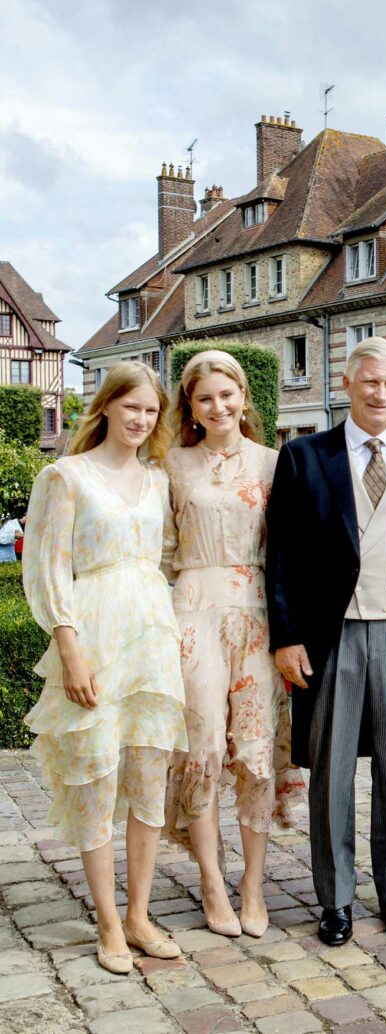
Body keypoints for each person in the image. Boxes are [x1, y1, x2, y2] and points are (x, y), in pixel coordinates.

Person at [266, 337, 386, 947]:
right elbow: (281, 556)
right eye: (371, 382)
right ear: (347, 385)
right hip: (331, 632)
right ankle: (336, 899)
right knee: (332, 771)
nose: (382, 395)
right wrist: (286, 637)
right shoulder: (305, 458)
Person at [22, 361, 187, 974]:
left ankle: (140, 915)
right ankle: (109, 924)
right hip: (92, 631)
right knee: (95, 774)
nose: (142, 420)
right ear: (107, 407)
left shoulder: (158, 480)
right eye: (131, 407)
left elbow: (166, 560)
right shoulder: (66, 476)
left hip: (151, 636)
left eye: (151, 411)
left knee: (148, 780)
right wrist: (69, 647)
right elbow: (45, 566)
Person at [163, 350, 304, 940]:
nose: (217, 406)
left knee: (253, 746)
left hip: (257, 616)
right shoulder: (170, 463)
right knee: (202, 749)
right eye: (204, 398)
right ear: (190, 407)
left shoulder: (276, 463)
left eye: (227, 395)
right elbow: (162, 550)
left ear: (245, 397)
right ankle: (213, 882)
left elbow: (293, 551)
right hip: (193, 610)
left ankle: (252, 884)